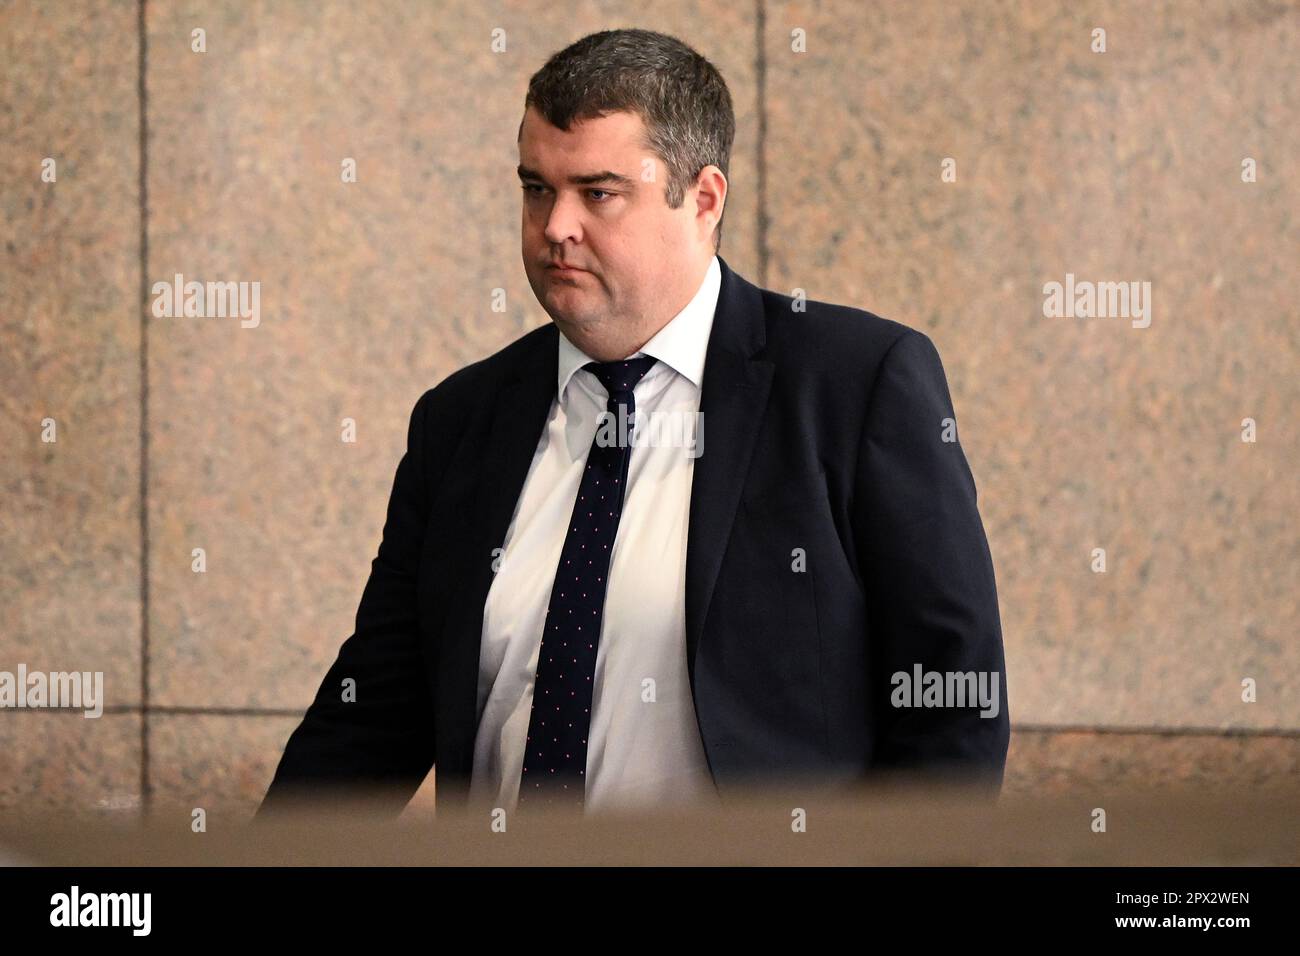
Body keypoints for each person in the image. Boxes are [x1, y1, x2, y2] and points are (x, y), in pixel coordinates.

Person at [260, 28, 1009, 820]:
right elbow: (374, 709)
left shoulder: (854, 384)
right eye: (536, 189)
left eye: (598, 192)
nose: (555, 228)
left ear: (704, 198)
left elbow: (953, 703)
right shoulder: (461, 421)